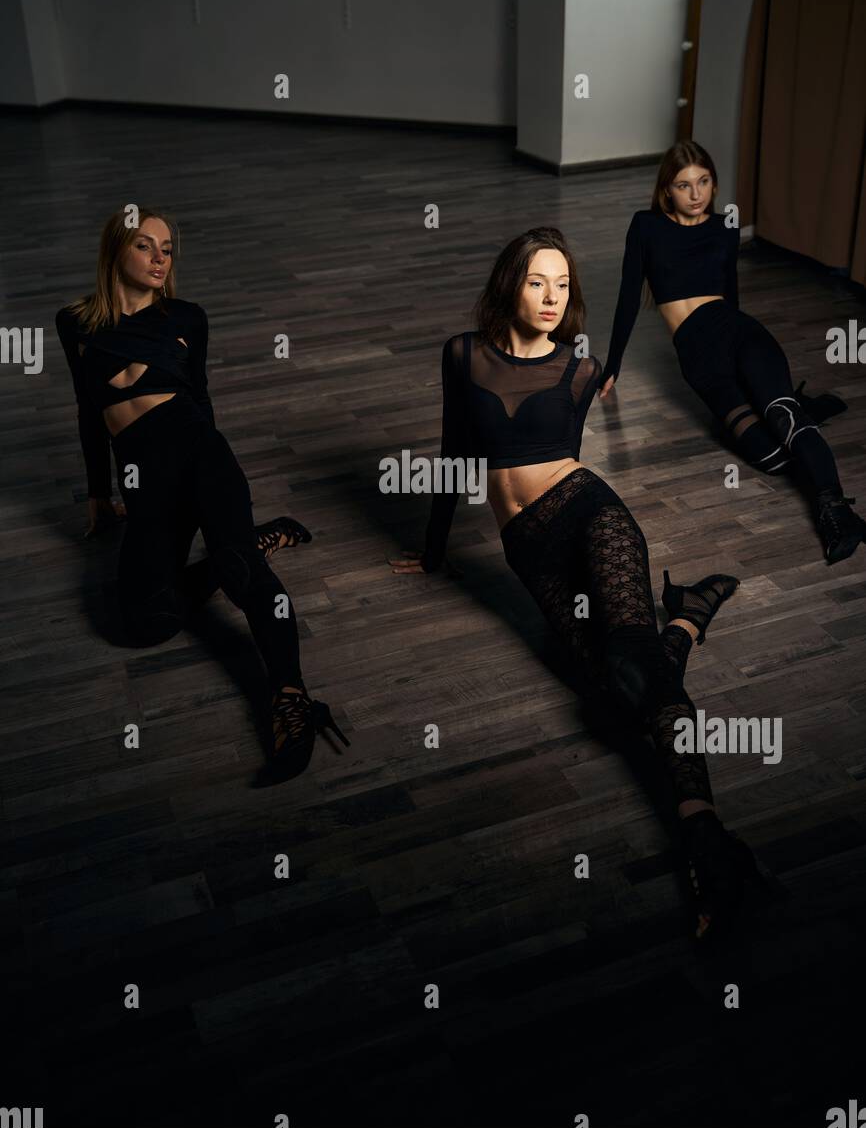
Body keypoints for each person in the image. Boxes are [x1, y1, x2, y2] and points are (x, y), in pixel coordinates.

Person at [392, 226, 759, 942]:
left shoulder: (580, 370)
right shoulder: (463, 355)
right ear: (511, 284)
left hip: (592, 515)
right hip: (528, 548)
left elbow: (570, 458)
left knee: (631, 669)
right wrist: (435, 553)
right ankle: (684, 618)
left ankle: (705, 837)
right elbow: (455, 454)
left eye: (563, 284)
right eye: (538, 282)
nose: (553, 297)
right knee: (611, 697)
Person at [55, 206, 348, 772]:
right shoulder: (75, 322)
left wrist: (219, 490)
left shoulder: (187, 316)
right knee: (141, 623)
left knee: (247, 577)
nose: (161, 258)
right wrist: (98, 493)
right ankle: (240, 545)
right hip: (145, 483)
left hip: (199, 457)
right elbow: (88, 412)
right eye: (146, 246)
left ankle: (290, 698)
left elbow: (203, 401)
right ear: (116, 249)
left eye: (167, 249)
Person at [600, 140, 864, 564]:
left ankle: (835, 509)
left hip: (740, 336)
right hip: (700, 364)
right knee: (770, 455)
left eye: (704, 181)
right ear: (666, 189)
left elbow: (732, 298)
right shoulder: (645, 226)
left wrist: (750, 365)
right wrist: (611, 365)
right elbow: (629, 297)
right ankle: (798, 411)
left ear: (713, 182)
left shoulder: (725, 227)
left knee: (783, 418)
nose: (696, 193)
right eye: (684, 185)